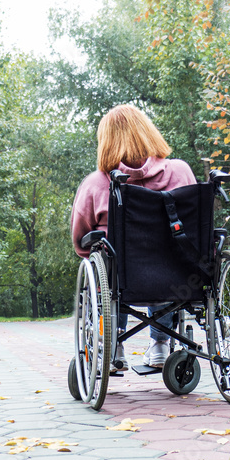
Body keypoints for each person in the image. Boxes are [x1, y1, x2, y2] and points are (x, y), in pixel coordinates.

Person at [71, 104, 196, 370]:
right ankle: (161, 345)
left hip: (120, 280)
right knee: (170, 259)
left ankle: (113, 344)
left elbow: (81, 239)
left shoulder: (96, 184)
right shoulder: (181, 171)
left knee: (105, 263)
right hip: (176, 279)